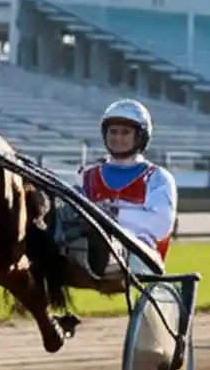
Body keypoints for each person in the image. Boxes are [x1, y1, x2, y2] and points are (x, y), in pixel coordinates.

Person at [59, 99, 178, 280]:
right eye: (113, 131)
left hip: (138, 253)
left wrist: (110, 215)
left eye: (125, 133)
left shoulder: (158, 178)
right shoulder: (87, 174)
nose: (117, 138)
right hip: (86, 248)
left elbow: (161, 225)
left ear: (140, 137)